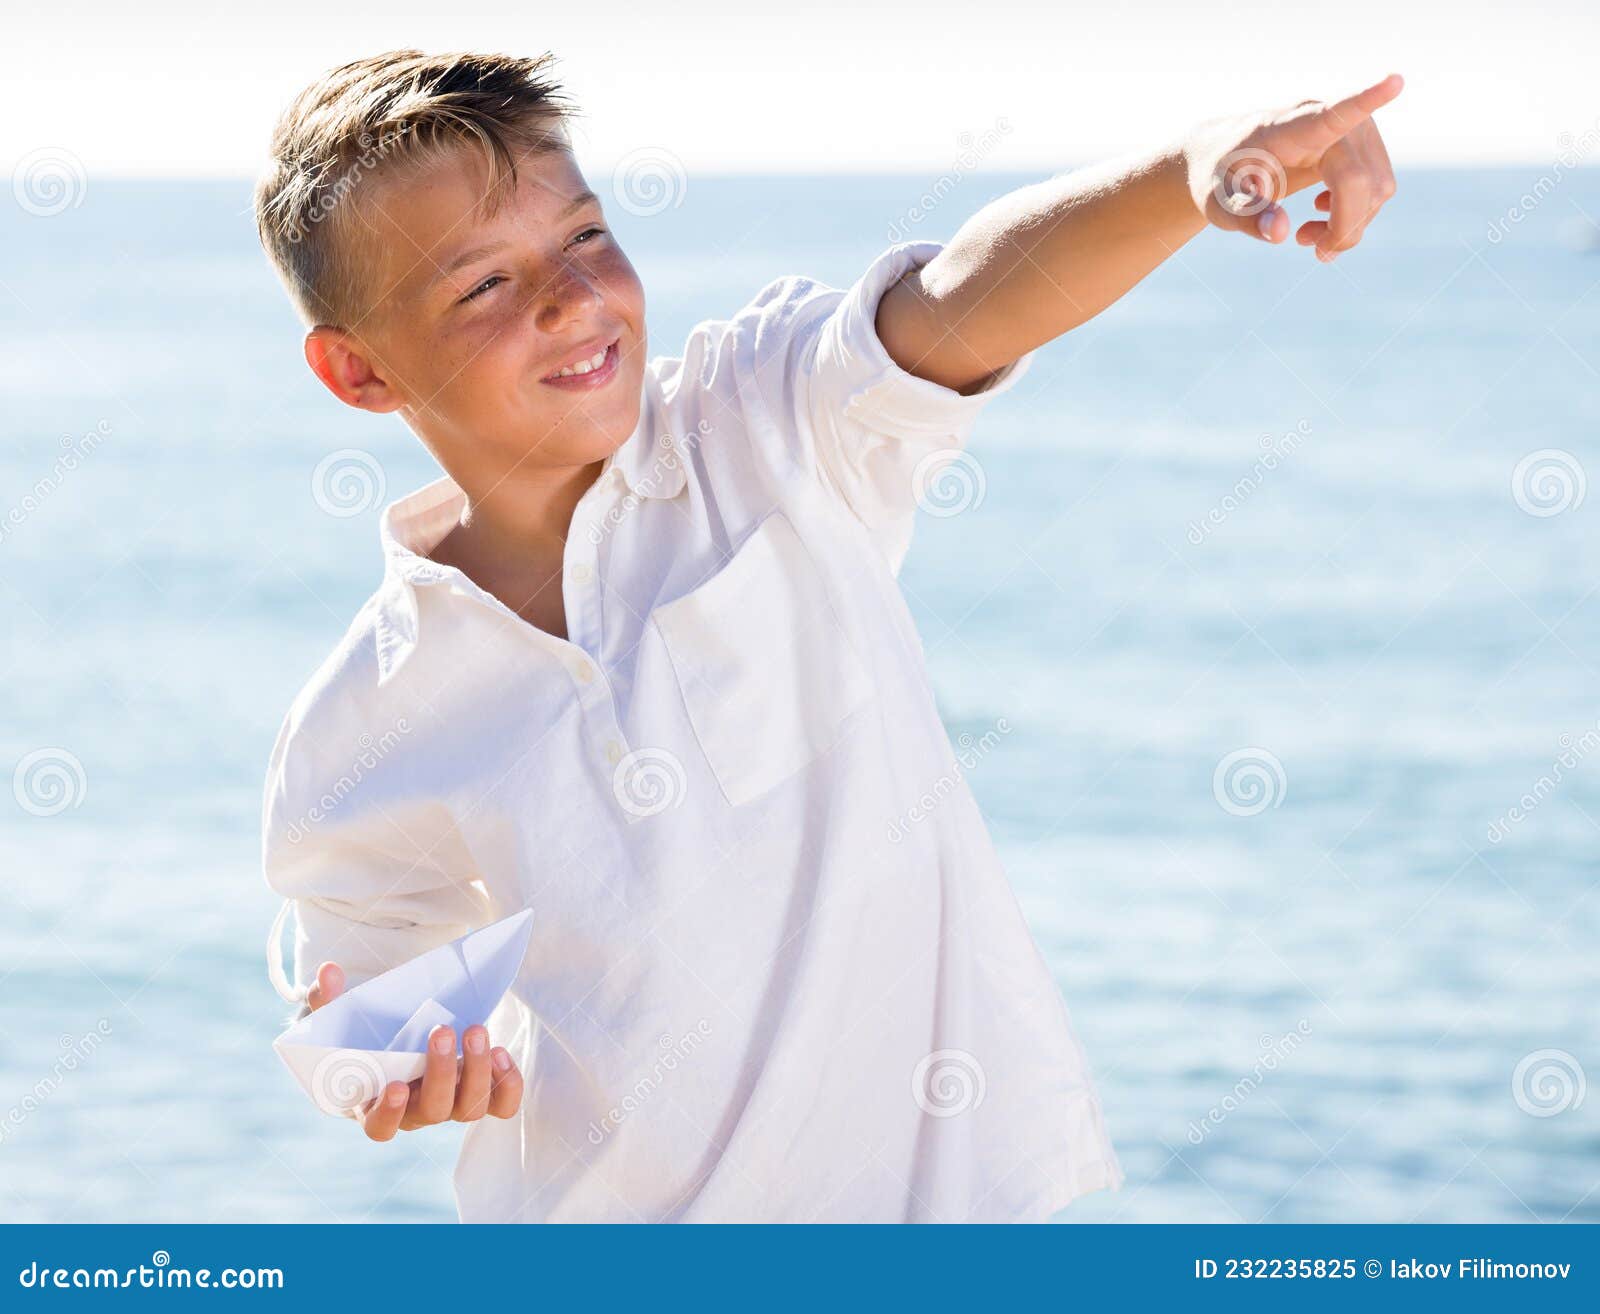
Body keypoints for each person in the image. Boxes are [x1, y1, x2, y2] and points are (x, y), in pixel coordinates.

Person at [255, 49, 1402, 1222]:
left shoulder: (763, 422)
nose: (571, 300)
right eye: (482, 286)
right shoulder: (365, 713)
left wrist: (1189, 168)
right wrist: (401, 1068)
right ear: (358, 371)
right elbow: (373, 1013)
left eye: (585, 238)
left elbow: (963, 296)